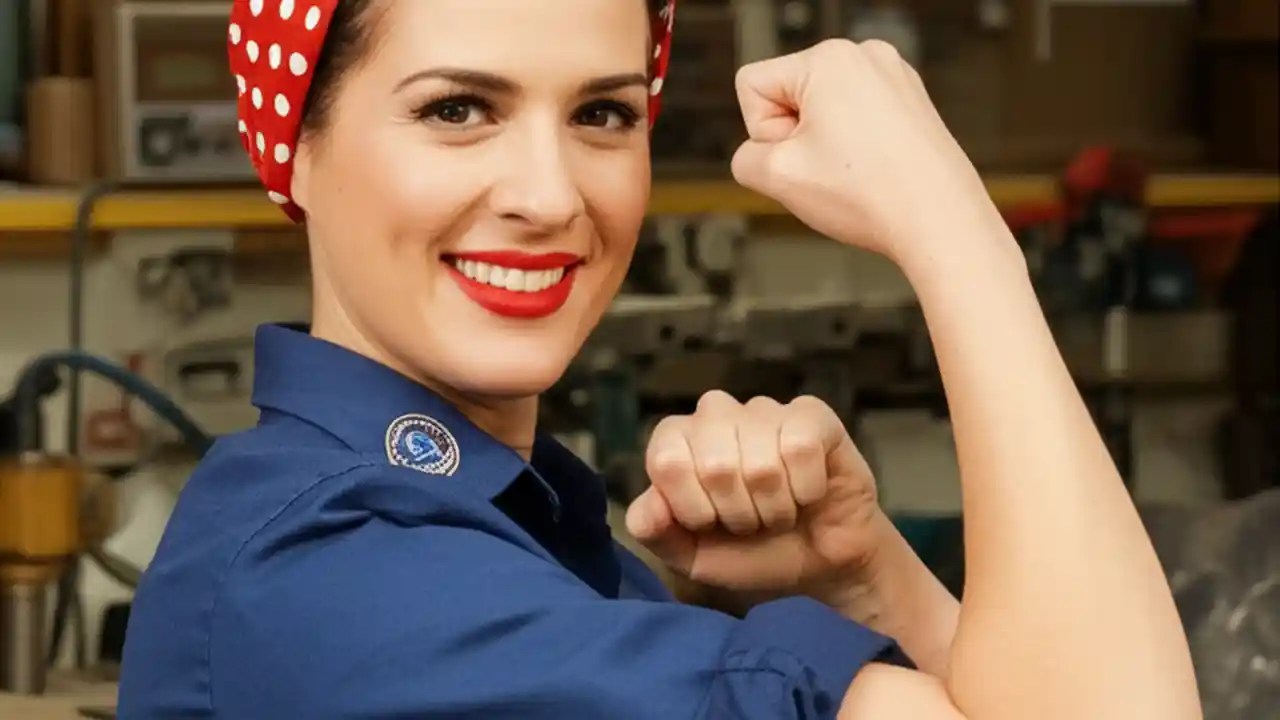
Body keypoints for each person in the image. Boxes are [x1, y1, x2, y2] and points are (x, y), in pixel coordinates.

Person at [117, 0, 1203, 718]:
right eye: (456, 110)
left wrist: (864, 579)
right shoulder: (338, 581)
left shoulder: (515, 540)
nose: (549, 195)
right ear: (294, 147)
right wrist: (954, 236)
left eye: (601, 113)